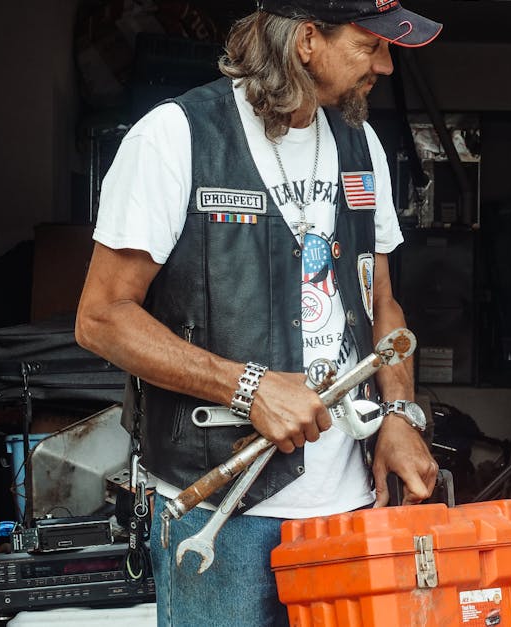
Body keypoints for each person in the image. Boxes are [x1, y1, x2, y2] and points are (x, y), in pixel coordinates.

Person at [75, 2, 442, 624]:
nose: (385, 63)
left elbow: (380, 300)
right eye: (370, 45)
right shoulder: (178, 135)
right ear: (306, 41)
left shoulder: (361, 143)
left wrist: (400, 413)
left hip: (349, 508)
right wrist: (249, 387)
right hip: (221, 509)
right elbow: (102, 317)